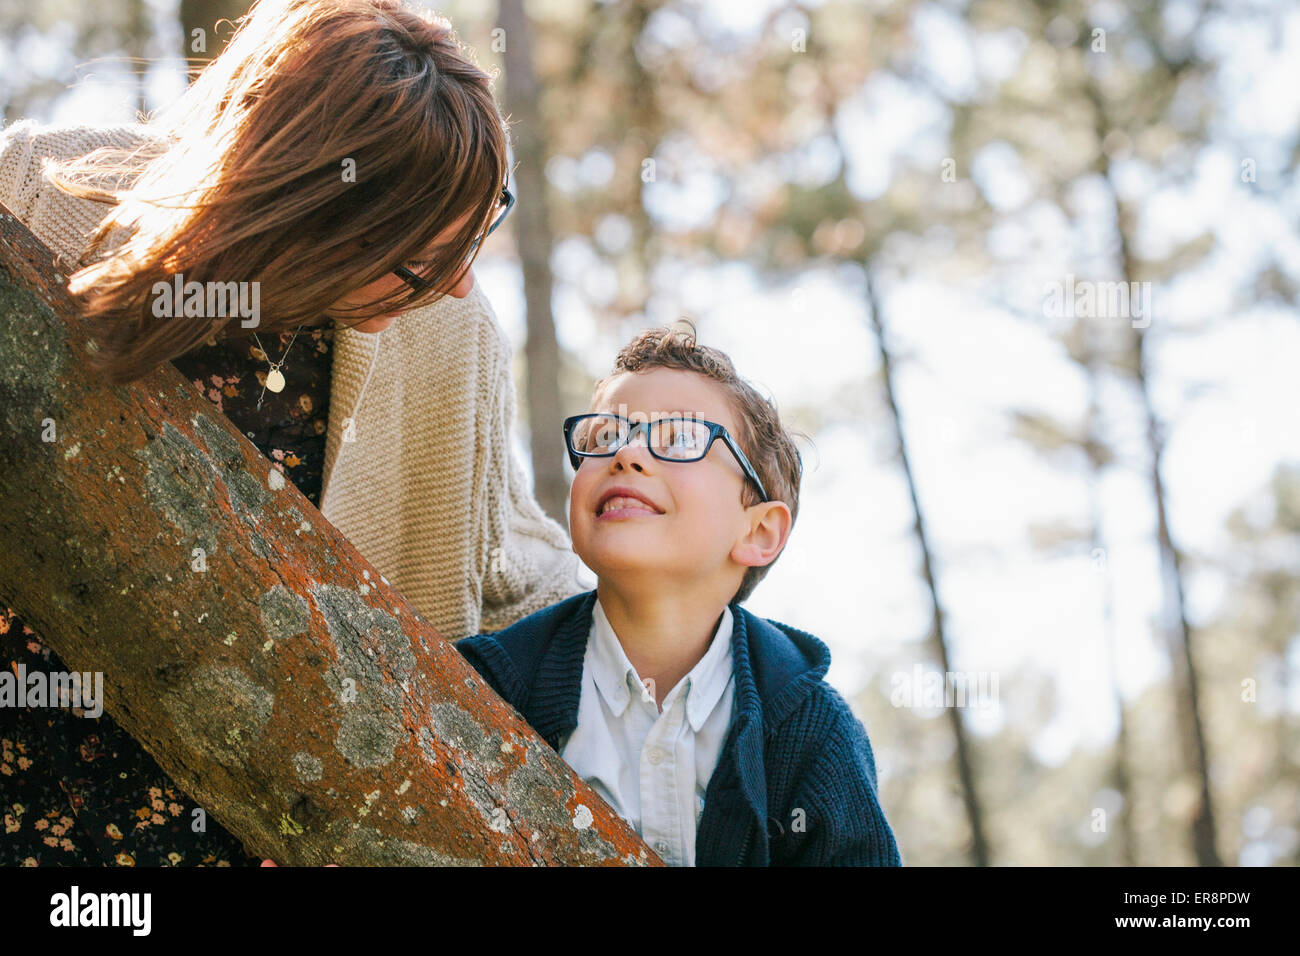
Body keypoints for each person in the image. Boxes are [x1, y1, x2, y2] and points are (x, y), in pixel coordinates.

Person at [0, 0, 583, 866]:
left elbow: (519, 573)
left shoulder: (452, 336)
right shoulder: (34, 193)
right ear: (310, 209)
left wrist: (715, 656)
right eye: (422, 259)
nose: (461, 286)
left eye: (484, 221)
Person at [455, 325, 903, 866]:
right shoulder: (489, 687)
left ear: (758, 532)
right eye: (604, 436)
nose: (628, 455)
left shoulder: (811, 730)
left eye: (682, 438)